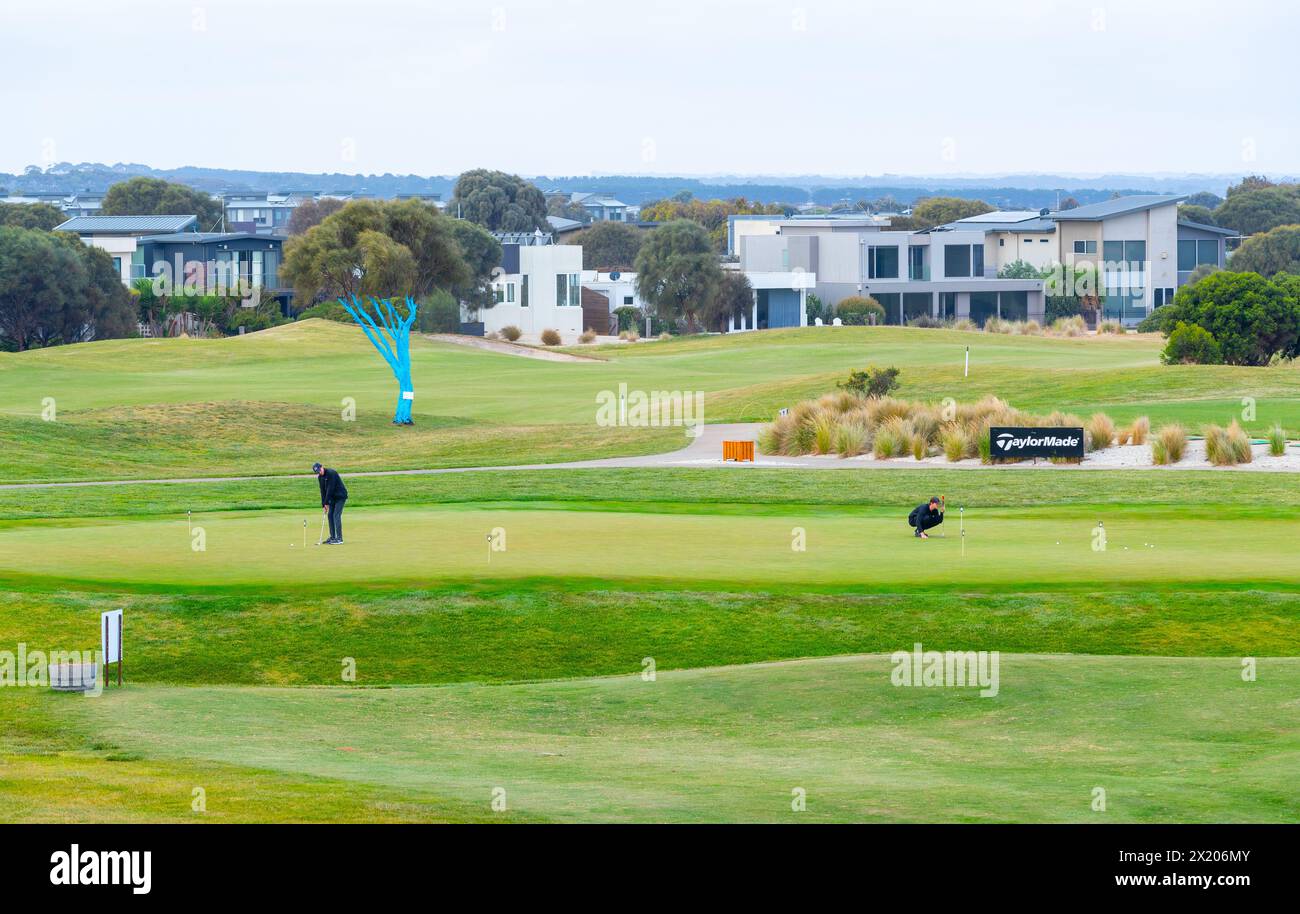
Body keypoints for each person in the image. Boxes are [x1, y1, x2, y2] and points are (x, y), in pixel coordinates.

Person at [314, 462, 349, 545]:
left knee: (336, 515)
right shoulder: (320, 478)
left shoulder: (331, 473)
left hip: (340, 496)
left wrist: (326, 502)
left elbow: (330, 489)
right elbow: (323, 491)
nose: (320, 472)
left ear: (322, 467)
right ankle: (333, 537)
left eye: (320, 470)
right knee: (330, 515)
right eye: (318, 472)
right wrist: (324, 504)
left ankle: (339, 539)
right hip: (332, 498)